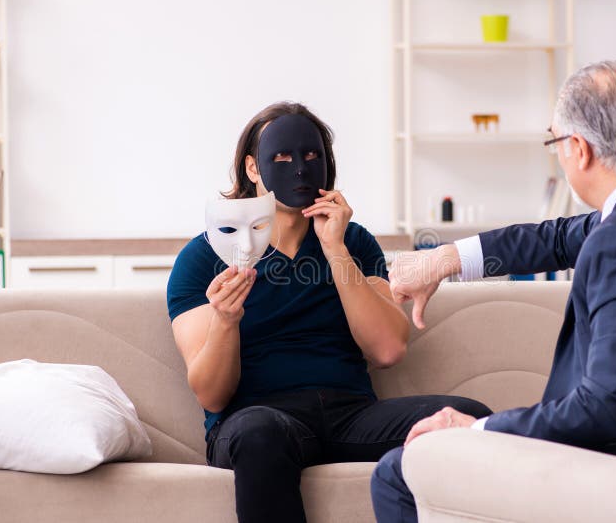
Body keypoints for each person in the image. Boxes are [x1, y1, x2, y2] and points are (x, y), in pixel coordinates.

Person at [370, 61, 616, 522]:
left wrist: (478, 428)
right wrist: (445, 259)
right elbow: (559, 238)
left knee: (399, 474)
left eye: (555, 141)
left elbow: (608, 408)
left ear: (579, 149)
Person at [166, 101, 491, 523]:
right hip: (258, 420)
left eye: (312, 156)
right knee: (259, 433)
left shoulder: (354, 242)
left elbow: (389, 349)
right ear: (252, 168)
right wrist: (226, 320)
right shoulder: (204, 256)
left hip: (349, 413)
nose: (299, 169)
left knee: (470, 419)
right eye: (281, 157)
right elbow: (211, 394)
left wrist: (336, 250)